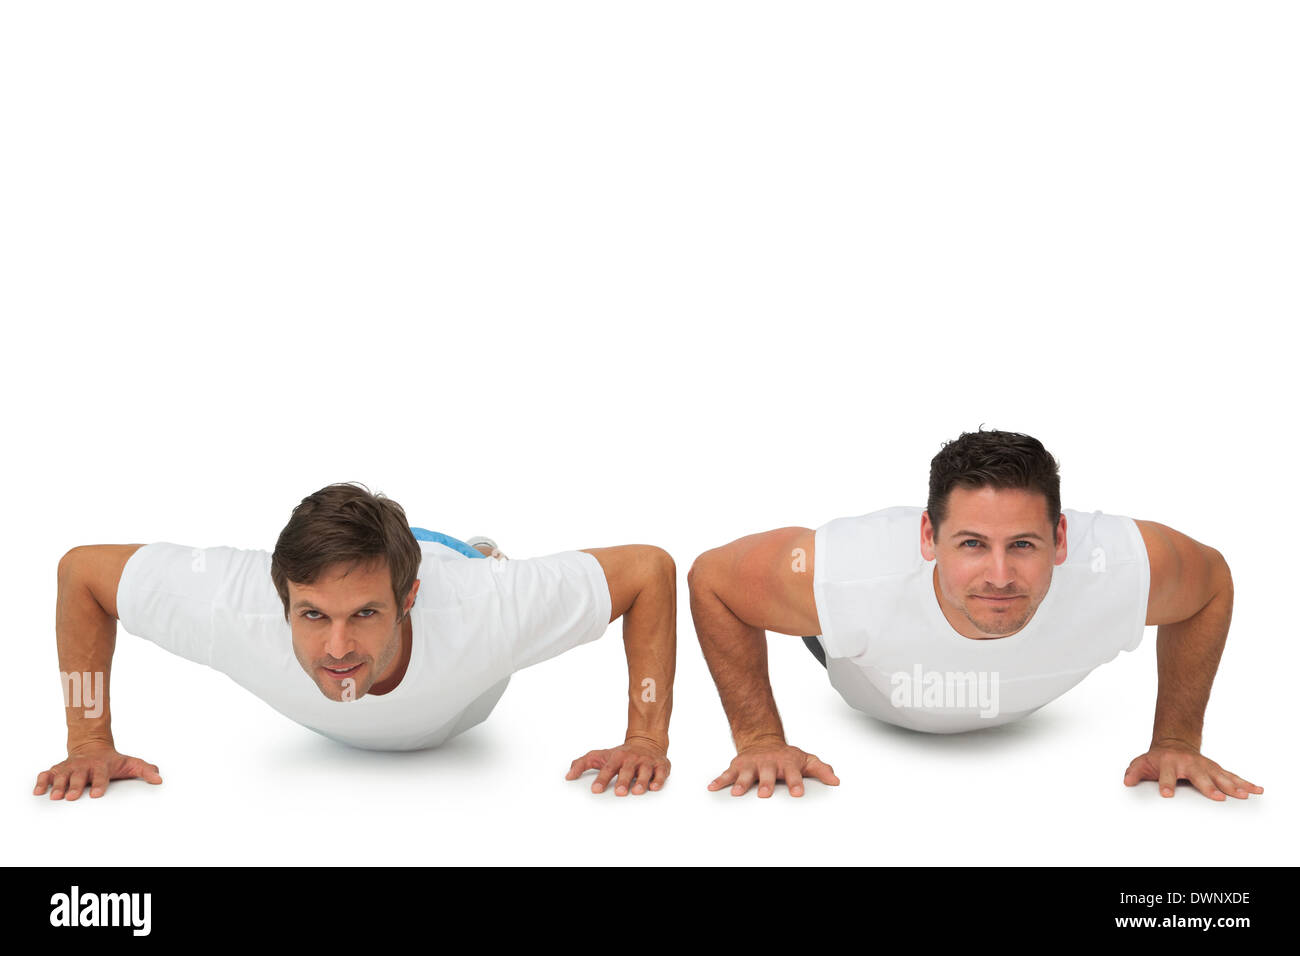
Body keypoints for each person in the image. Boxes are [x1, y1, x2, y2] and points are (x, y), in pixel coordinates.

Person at [688, 428, 1263, 802]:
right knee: (829, 600)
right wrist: (759, 738)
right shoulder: (848, 577)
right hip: (866, 652)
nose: (999, 575)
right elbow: (712, 579)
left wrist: (1178, 740)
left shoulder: (1119, 566)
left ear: (1060, 539)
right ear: (927, 537)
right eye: (969, 544)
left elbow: (1211, 584)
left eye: (1023, 544)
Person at [35, 482, 676, 800]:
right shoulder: (232, 608)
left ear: (407, 602)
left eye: (365, 614)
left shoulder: (492, 610)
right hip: (410, 584)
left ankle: (467, 551)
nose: (337, 648)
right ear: (282, 600)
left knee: (471, 561)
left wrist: (646, 736)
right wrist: (88, 740)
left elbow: (647, 570)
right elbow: (82, 573)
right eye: (312, 616)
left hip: (463, 600)